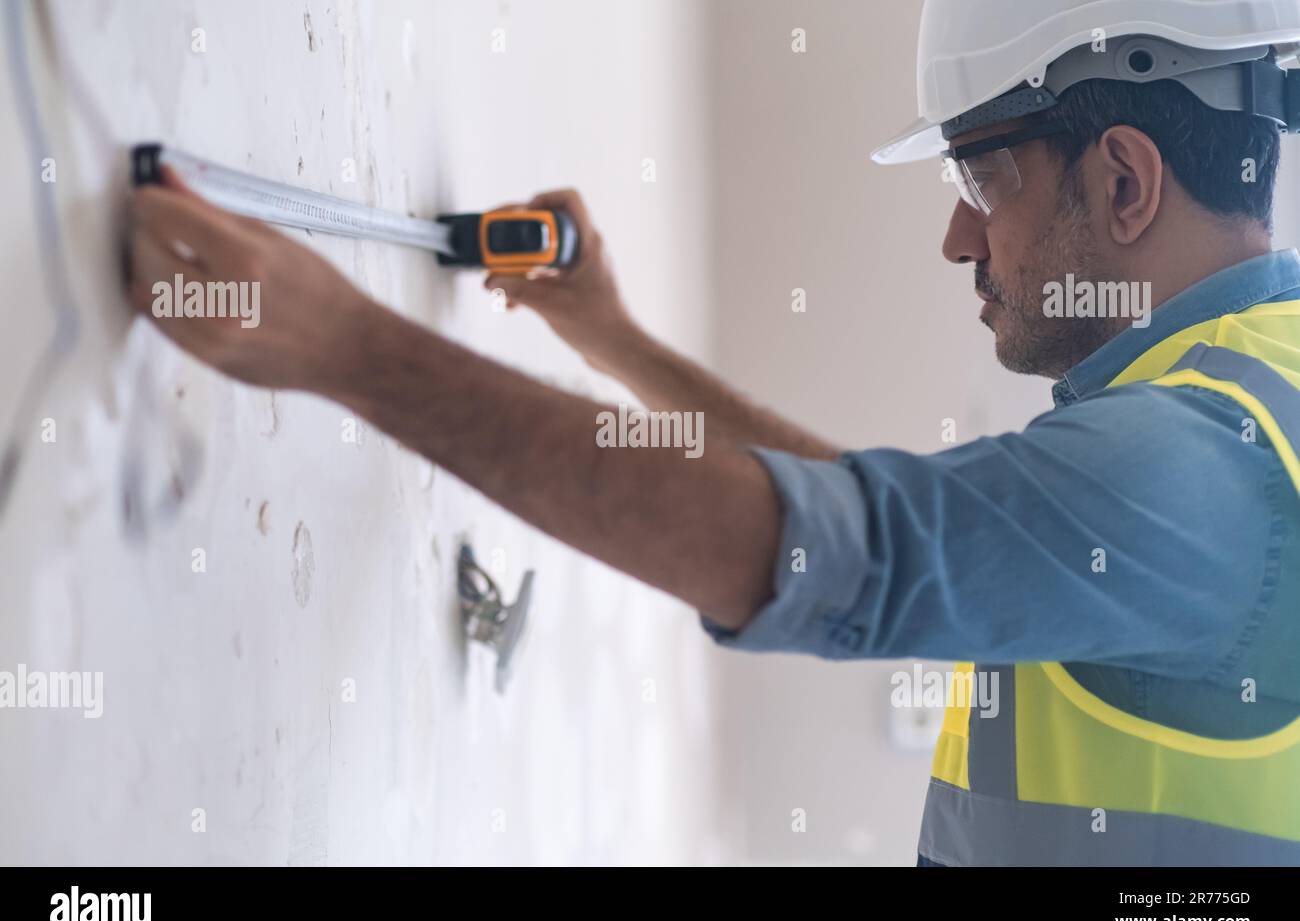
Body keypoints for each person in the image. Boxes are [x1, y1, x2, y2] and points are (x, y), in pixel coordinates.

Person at [125, 0, 1300, 865]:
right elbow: (870, 519)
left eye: (985, 184)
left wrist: (347, 348)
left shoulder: (1199, 466)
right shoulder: (1230, 400)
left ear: (1126, 184)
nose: (955, 238)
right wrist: (616, 340)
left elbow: (839, 551)